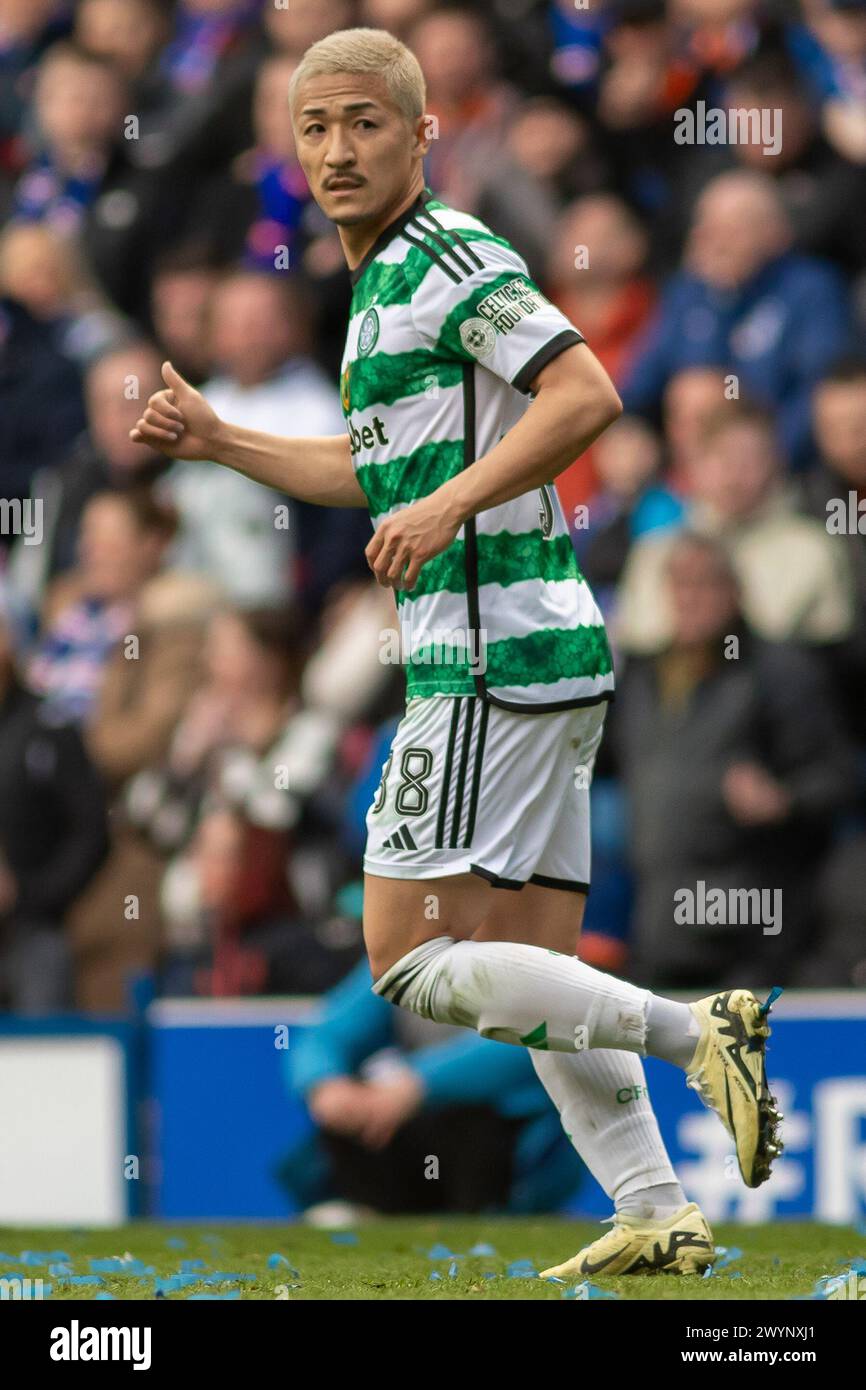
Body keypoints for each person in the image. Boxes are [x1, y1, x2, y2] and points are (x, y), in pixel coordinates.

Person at [131, 25, 782, 1279]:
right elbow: (375, 473)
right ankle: (654, 1207)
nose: (335, 149)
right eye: (314, 127)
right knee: (528, 971)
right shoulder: (375, 288)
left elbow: (584, 393)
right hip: (529, 651)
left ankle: (697, 1027)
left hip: (487, 656)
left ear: (422, 134)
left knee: (408, 958)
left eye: (364, 123)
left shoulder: (448, 254)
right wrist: (221, 441)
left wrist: (440, 512)